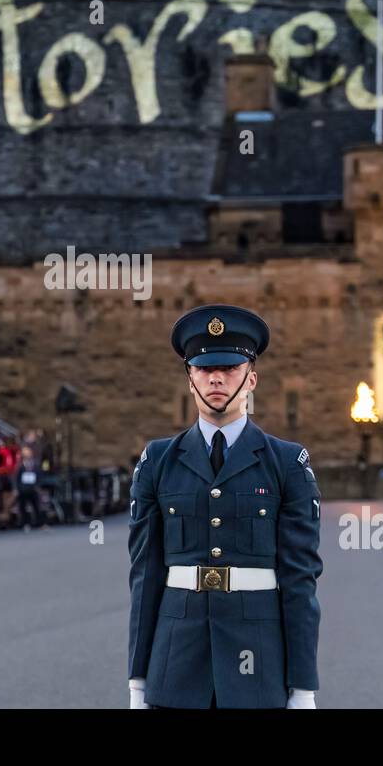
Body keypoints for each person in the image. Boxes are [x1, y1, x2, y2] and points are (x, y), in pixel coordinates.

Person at [127, 304, 322, 709]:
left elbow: (299, 579)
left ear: (251, 378)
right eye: (203, 367)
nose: (216, 377)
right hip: (175, 663)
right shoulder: (158, 461)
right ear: (189, 377)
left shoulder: (286, 463)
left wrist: (303, 688)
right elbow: (145, 577)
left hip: (258, 663)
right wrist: (137, 682)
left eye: (230, 367)